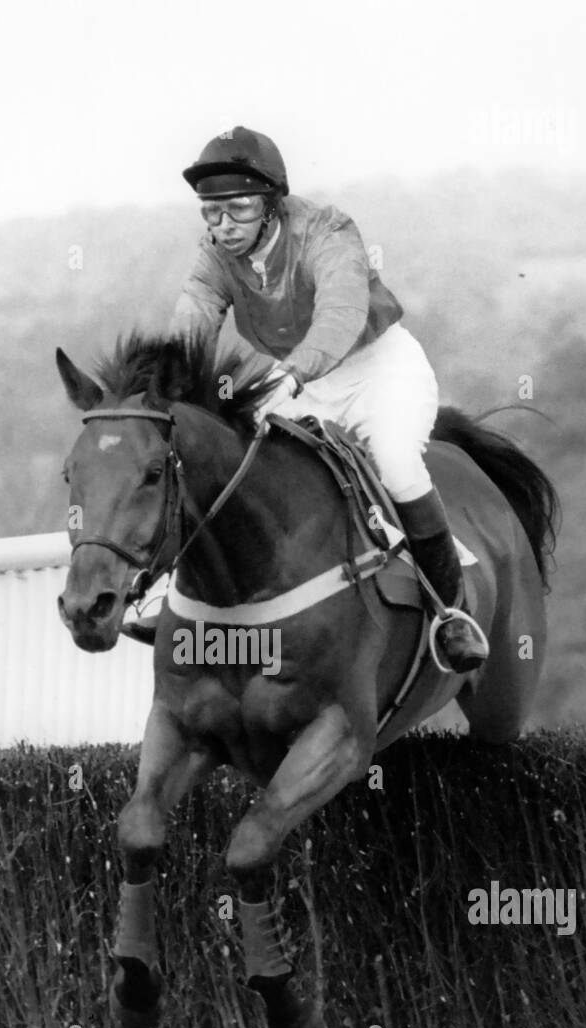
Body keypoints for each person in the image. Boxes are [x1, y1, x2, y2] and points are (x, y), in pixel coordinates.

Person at [148, 126, 487, 671]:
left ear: (272, 205)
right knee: (240, 467)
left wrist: (292, 374)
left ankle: (451, 613)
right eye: (210, 213)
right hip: (300, 380)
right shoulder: (214, 254)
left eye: (235, 210)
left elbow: (341, 315)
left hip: (378, 368)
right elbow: (194, 315)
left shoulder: (327, 232)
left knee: (398, 466)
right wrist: (165, 384)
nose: (222, 227)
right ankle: (186, 603)